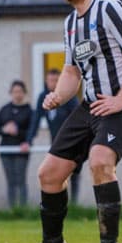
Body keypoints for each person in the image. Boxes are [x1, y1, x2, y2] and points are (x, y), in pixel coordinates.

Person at [16, 0, 122, 243]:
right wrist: (58, 96)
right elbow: (71, 71)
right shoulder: (69, 24)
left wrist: (121, 99)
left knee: (101, 160)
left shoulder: (110, 9)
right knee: (49, 173)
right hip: (91, 105)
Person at [28, 69, 81, 203]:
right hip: (56, 142)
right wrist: (28, 140)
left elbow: (78, 117)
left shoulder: (69, 98)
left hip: (73, 141)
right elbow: (36, 119)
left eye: (56, 81)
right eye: (50, 80)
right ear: (46, 81)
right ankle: (61, 204)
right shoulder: (43, 97)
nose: (53, 83)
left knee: (73, 172)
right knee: (56, 174)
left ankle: (74, 203)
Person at [0, 80, 34, 208]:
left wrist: (17, 132)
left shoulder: (29, 111)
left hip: (21, 150)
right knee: (10, 181)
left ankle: (22, 209)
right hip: (6, 150)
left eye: (20, 91)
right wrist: (4, 130)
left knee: (20, 180)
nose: (17, 94)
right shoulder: (4, 109)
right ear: (11, 93)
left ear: (24, 93)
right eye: (14, 92)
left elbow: (31, 131)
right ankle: (12, 209)